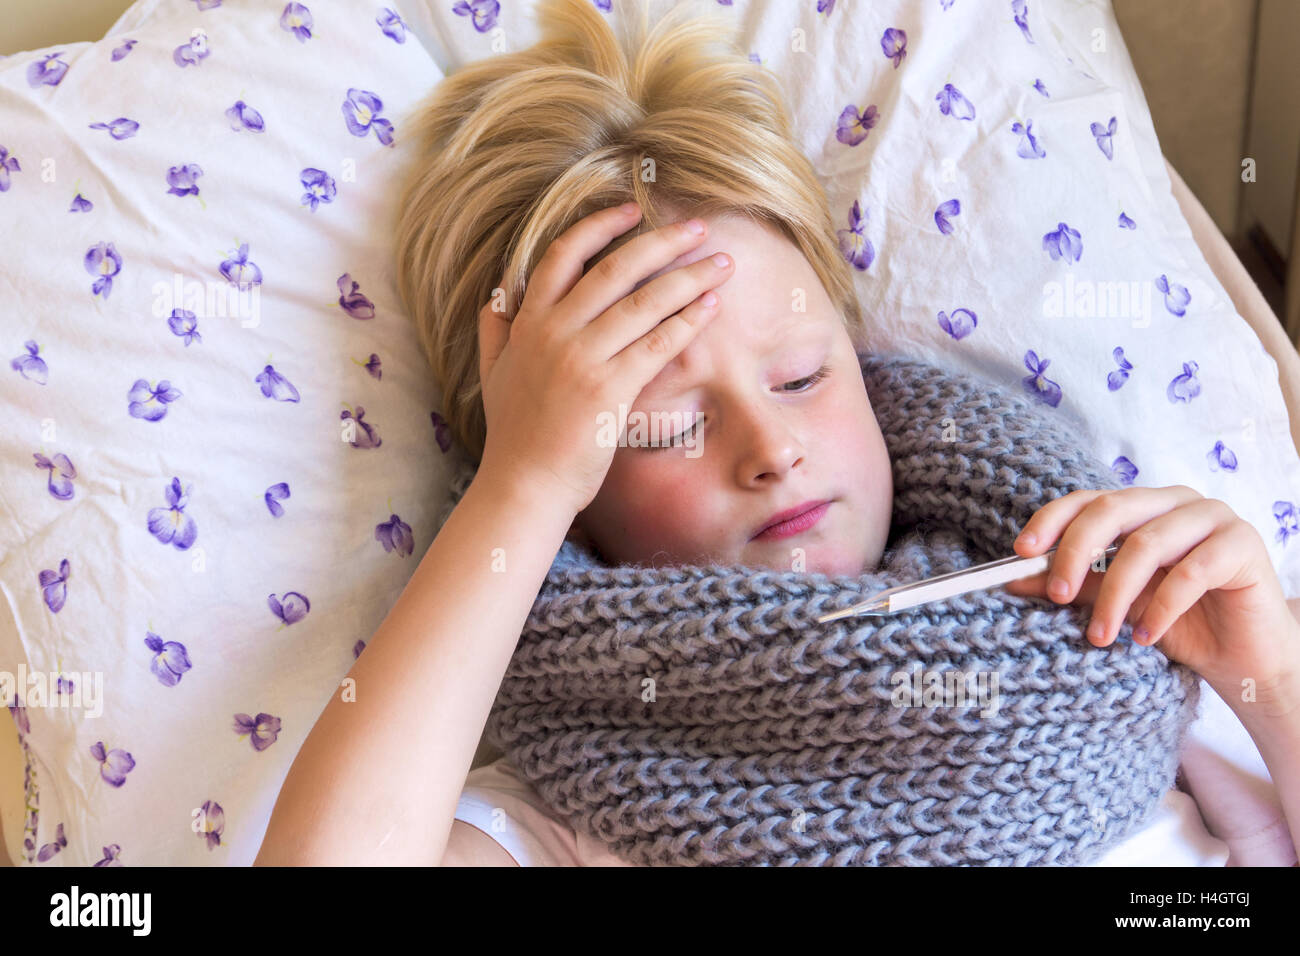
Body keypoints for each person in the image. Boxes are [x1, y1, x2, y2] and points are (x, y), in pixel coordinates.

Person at [252, 0, 1300, 866]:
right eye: (667, 427)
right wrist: (518, 490)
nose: (771, 446)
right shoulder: (567, 807)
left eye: (801, 375)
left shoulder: (1125, 649)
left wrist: (1269, 666)